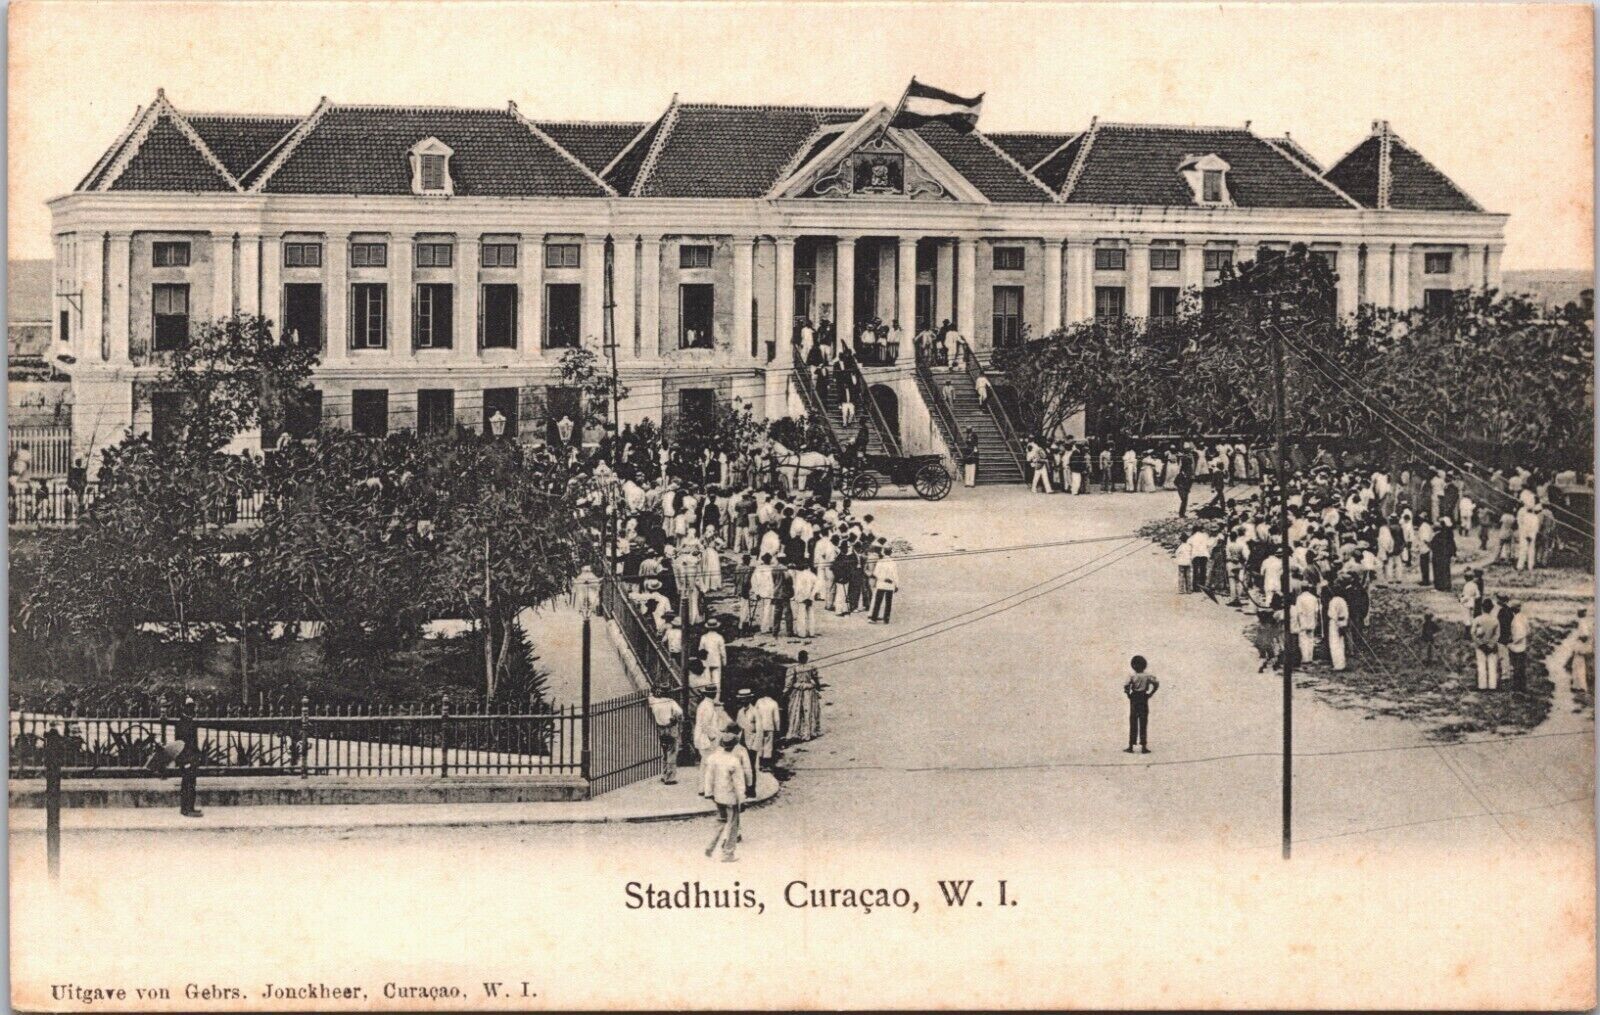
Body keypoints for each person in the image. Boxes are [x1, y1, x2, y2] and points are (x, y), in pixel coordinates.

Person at [701, 729, 751, 861]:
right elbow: (739, 784)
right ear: (734, 746)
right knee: (733, 824)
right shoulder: (734, 762)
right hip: (731, 798)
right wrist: (743, 800)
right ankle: (728, 853)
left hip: (718, 797)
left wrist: (708, 792)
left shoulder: (713, 758)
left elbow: (709, 777)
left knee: (720, 821)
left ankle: (710, 846)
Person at [693, 686, 731, 778]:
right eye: (713, 692)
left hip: (705, 736)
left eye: (715, 692)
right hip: (706, 738)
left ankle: (703, 788)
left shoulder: (707, 704)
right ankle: (706, 788)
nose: (714, 694)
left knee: (705, 763)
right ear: (708, 694)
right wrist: (712, 737)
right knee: (709, 763)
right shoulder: (707, 705)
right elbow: (705, 724)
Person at [784, 651, 822, 743]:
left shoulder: (794, 668)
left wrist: (785, 691)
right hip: (807, 691)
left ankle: (798, 733)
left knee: (797, 711)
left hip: (799, 691)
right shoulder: (810, 667)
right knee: (807, 710)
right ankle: (806, 733)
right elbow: (816, 679)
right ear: (806, 658)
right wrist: (818, 687)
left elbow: (789, 682)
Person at [1123, 655, 1158, 753]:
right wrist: (1150, 693)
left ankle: (1131, 746)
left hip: (1134, 698)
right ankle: (1143, 746)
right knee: (1143, 722)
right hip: (1143, 698)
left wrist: (1129, 694)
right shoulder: (1147, 676)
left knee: (1133, 722)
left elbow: (1126, 686)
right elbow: (1156, 684)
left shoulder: (1132, 675)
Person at [647, 689, 684, 784]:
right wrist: (674, 717)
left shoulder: (654, 701)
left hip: (660, 729)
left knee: (664, 751)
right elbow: (680, 712)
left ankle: (664, 774)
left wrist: (651, 693)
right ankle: (670, 778)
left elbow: (650, 698)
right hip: (670, 728)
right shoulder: (671, 702)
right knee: (671, 752)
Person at [174, 697, 202, 817]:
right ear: (184, 707)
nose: (192, 708)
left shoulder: (190, 721)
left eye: (192, 706)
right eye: (189, 706)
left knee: (192, 783)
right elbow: (180, 744)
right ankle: (185, 809)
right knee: (187, 783)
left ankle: (190, 807)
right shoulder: (182, 723)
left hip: (192, 758)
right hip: (186, 758)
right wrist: (184, 760)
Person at [1470, 599, 1501, 691]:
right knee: (1492, 666)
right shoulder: (1495, 620)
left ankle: (1482, 686)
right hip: (1492, 646)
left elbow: (1473, 633)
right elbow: (1497, 634)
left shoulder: (1478, 619)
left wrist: (1480, 643)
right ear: (1491, 609)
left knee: (1481, 665)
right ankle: (1492, 686)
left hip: (1480, 646)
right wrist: (1491, 644)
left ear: (1482, 608)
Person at [869, 546, 898, 623]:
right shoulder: (893, 563)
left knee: (878, 602)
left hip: (881, 584)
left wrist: (883, 578)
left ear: (884, 552)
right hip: (890, 584)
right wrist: (896, 585)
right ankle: (886, 619)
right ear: (890, 553)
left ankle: (874, 618)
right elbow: (895, 575)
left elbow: (875, 573)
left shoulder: (880, 561)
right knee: (888, 603)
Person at [1506, 601, 1530, 694]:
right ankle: (1522, 687)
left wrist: (1512, 642)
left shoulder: (1516, 619)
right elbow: (1528, 631)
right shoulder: (1523, 617)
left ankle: (1517, 688)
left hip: (1516, 648)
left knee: (1517, 668)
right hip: (1522, 646)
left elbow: (1520, 634)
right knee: (1521, 668)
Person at [699, 618, 727, 695]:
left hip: (706, 661)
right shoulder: (719, 637)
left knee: (707, 680)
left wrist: (701, 661)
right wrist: (724, 662)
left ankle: (707, 696)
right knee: (717, 680)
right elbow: (723, 652)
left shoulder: (704, 637)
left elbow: (701, 650)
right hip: (716, 661)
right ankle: (716, 698)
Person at [1571, 607, 1594, 696]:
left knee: (1579, 665)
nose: (1578, 613)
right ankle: (1577, 686)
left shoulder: (1582, 622)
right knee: (1576, 665)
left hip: (1580, 647)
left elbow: (1585, 636)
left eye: (1579, 612)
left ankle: (1581, 687)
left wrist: (1578, 639)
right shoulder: (1582, 621)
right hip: (1580, 646)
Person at [1327, 588, 1350, 672]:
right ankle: (1341, 663)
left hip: (1335, 623)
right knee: (1341, 643)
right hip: (1343, 622)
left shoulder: (1333, 601)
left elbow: (1331, 614)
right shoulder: (1343, 601)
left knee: (1334, 644)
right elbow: (1346, 613)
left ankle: (1337, 665)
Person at [1430, 516, 1455, 593]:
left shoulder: (1439, 535)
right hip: (1446, 555)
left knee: (1438, 571)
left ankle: (1439, 586)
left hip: (1439, 555)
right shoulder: (1449, 534)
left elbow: (1433, 544)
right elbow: (1452, 545)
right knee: (1446, 570)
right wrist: (1453, 553)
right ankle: (1447, 586)